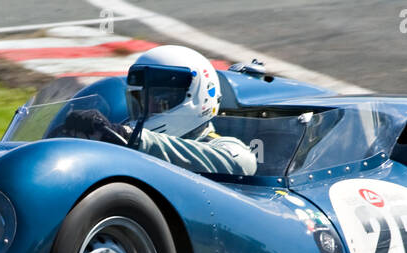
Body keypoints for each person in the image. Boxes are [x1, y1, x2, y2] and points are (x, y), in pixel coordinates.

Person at [56, 45, 258, 177]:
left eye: (161, 99)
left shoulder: (223, 147)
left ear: (197, 97)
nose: (149, 107)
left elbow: (242, 163)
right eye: (143, 99)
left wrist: (132, 138)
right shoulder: (122, 135)